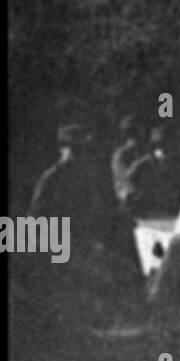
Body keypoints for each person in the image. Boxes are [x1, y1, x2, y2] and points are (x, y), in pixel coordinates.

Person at [27, 121, 146, 310]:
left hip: (84, 242)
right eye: (74, 150)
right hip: (58, 246)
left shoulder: (85, 178)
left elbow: (96, 211)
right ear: (62, 150)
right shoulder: (52, 178)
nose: (78, 156)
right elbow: (35, 218)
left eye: (82, 151)